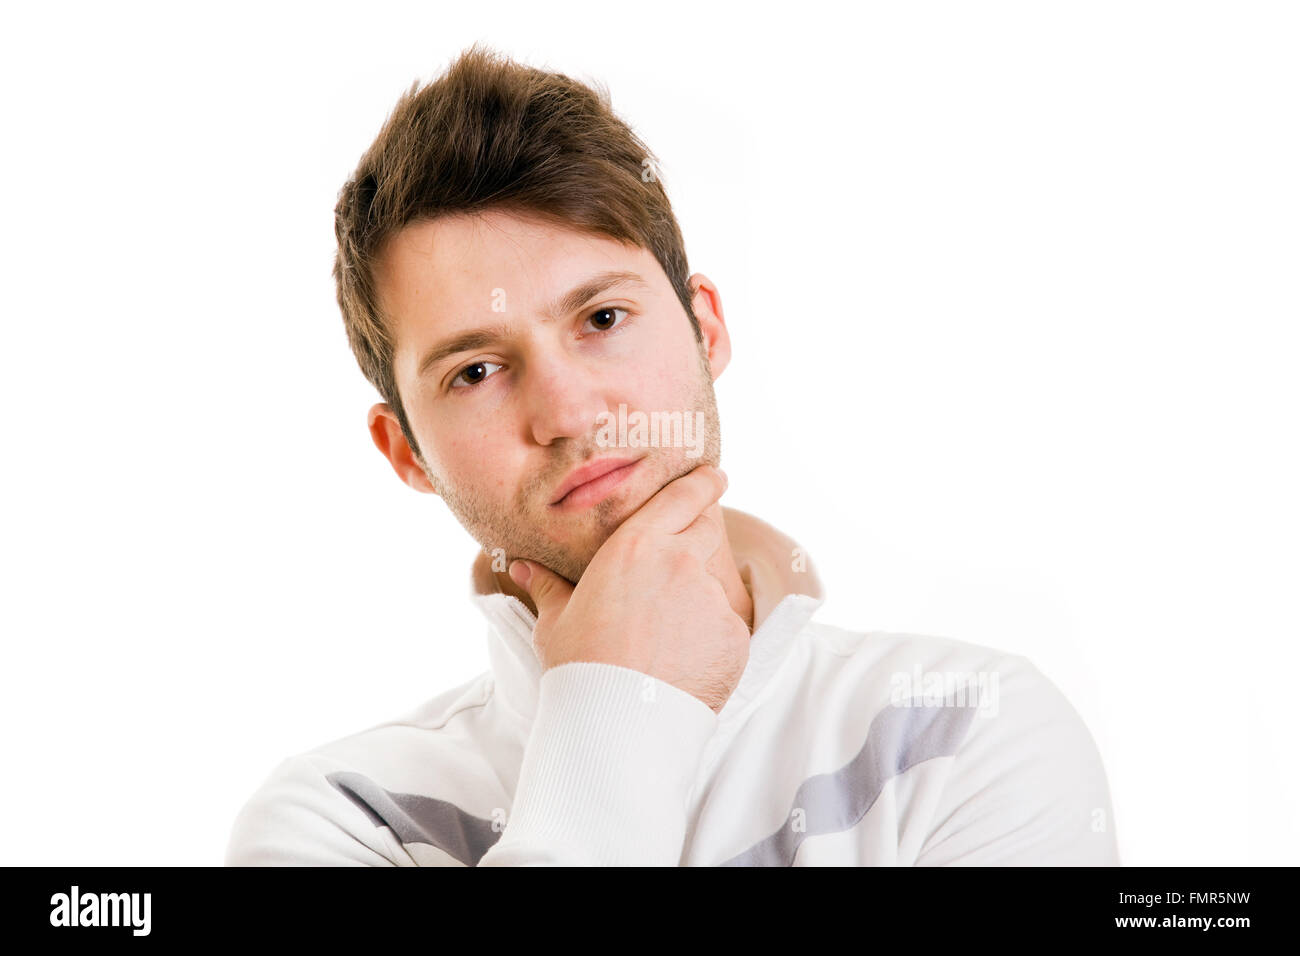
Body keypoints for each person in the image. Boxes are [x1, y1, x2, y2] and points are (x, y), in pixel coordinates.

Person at [224, 44, 1119, 866]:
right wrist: (616, 709)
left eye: (603, 319)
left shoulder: (960, 734)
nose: (570, 414)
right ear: (405, 451)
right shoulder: (342, 822)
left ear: (706, 327)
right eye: (478, 369)